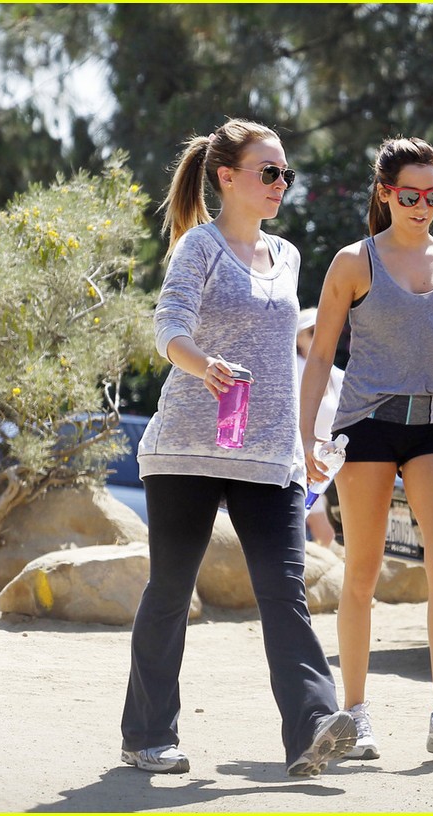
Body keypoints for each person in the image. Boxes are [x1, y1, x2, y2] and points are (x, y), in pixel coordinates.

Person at [122, 118, 355, 779]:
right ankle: (145, 734)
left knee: (285, 589)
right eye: (269, 172)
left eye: (286, 173)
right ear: (228, 177)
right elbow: (167, 326)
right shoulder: (198, 247)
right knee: (171, 587)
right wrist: (203, 365)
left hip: (270, 456)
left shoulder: (288, 257)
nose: (282, 184)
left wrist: (306, 443)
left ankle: (313, 727)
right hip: (188, 449)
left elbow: (288, 360)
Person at [299, 136, 433, 762]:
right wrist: (308, 437)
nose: (422, 206)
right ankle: (354, 714)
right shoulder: (355, 262)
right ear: (386, 193)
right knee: (362, 571)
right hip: (368, 426)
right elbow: (322, 353)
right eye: (410, 195)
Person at [295, 306, 344, 551]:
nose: (320, 336)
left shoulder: (337, 376)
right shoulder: (291, 369)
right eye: (312, 331)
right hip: (295, 467)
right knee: (321, 535)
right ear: (297, 340)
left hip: (322, 471)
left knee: (324, 536)